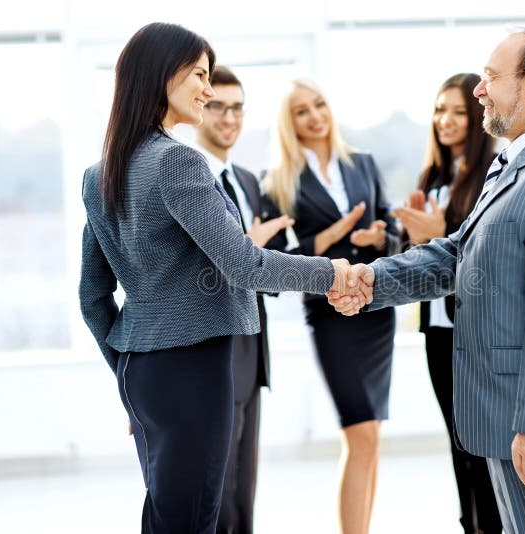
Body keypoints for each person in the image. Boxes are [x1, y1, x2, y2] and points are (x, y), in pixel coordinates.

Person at [79, 23, 365, 533]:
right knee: (191, 521)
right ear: (162, 74)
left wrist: (126, 371)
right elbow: (244, 264)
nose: (208, 91)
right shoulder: (179, 163)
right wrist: (333, 272)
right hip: (192, 370)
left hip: (142, 373)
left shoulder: (102, 172)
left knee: (167, 515)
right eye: (199, 75)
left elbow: (92, 296)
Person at [330, 29, 525, 533]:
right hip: (509, 423)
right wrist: (373, 280)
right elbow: (458, 254)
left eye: (489, 77)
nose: (479, 90)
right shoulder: (516, 166)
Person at [260, 78, 398, 534]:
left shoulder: (363, 163)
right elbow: (270, 263)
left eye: (319, 104)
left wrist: (378, 236)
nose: (314, 115)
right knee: (358, 432)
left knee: (371, 436)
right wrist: (332, 237)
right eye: (301, 110)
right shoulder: (278, 182)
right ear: (289, 122)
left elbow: (395, 230)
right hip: (330, 314)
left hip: (377, 310)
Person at [396, 73, 502, 534]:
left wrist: (437, 236)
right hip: (437, 331)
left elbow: (490, 263)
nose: (447, 120)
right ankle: (470, 525)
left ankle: (490, 526)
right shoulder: (432, 179)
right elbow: (417, 260)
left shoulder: (494, 176)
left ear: (479, 117)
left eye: (459, 111)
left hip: (476, 333)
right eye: (440, 110)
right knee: (458, 442)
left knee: (482, 446)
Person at [190, 66, 293, 534]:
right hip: (209, 347)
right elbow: (187, 273)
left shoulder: (250, 181)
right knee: (213, 480)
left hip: (250, 349)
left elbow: (262, 271)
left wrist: (266, 254)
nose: (229, 118)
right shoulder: (188, 179)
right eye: (217, 107)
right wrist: (243, 252)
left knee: (243, 481)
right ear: (199, 109)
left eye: (237, 107)